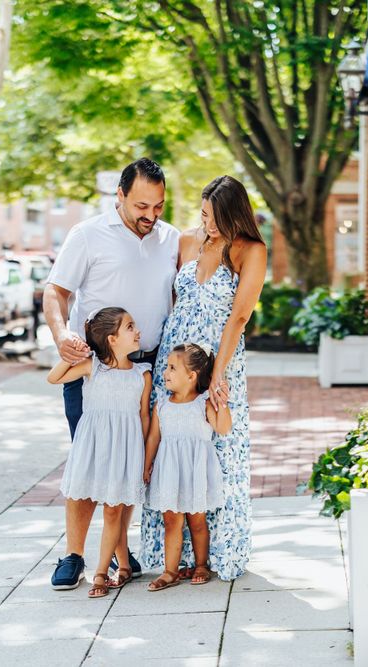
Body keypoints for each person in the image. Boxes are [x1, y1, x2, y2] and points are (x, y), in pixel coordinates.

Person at [42, 158, 180, 591]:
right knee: (88, 461)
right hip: (96, 369)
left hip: (152, 369)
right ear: (118, 195)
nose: (150, 216)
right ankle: (74, 554)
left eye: (158, 206)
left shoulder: (170, 238)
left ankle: (120, 550)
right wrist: (61, 333)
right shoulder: (87, 235)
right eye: (141, 205)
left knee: (129, 461)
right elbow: (56, 291)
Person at [140, 175, 266, 581]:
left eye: (214, 218)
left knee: (220, 453)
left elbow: (239, 316)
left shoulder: (251, 250)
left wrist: (217, 375)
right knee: (172, 448)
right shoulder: (187, 243)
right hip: (175, 363)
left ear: (233, 215)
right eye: (203, 215)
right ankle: (172, 556)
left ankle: (216, 554)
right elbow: (173, 302)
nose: (206, 225)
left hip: (220, 363)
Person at [47, 307, 152, 598]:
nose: (137, 330)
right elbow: (54, 379)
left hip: (126, 448)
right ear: (112, 339)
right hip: (95, 446)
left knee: (114, 509)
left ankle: (103, 573)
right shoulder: (93, 367)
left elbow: (144, 417)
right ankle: (94, 563)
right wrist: (71, 355)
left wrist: (144, 455)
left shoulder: (142, 375)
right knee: (91, 498)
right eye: (130, 327)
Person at [143, 342, 231, 591]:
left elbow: (223, 429)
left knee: (197, 520)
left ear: (191, 376)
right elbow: (153, 438)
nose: (165, 372)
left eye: (172, 368)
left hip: (195, 471)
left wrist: (222, 403)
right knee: (171, 521)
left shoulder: (203, 403)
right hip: (169, 471)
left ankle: (201, 564)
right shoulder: (163, 404)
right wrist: (147, 465)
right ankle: (170, 571)